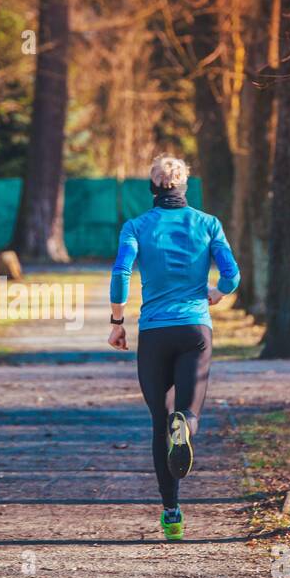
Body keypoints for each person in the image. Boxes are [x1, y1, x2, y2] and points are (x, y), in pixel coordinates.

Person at [107, 155, 240, 541]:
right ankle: (187, 425)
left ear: (153, 188)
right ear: (186, 186)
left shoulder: (136, 226)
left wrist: (117, 322)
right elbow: (232, 273)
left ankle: (171, 512)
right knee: (187, 413)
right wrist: (217, 293)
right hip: (195, 329)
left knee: (157, 423)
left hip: (154, 333)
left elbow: (120, 273)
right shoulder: (208, 223)